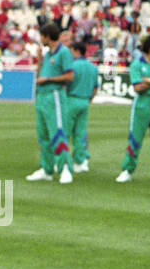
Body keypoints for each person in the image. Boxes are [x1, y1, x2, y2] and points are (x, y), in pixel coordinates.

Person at [26, 22, 75, 184]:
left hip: (54, 95)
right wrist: (39, 59)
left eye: (41, 36)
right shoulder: (48, 55)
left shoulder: (64, 53)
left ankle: (65, 168)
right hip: (42, 96)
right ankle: (46, 169)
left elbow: (69, 76)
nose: (40, 39)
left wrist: (48, 79)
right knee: (43, 134)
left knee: (58, 132)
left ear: (47, 37)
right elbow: (40, 75)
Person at [115, 33, 150, 183]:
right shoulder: (137, 64)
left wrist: (148, 80)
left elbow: (147, 84)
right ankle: (127, 170)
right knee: (135, 138)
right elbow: (137, 87)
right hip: (142, 103)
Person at [66, 40, 98, 173]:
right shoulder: (92, 67)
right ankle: (80, 162)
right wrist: (89, 99)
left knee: (64, 132)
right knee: (80, 133)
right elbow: (96, 88)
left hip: (71, 100)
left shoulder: (72, 66)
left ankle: (61, 161)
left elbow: (66, 84)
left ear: (77, 51)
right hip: (84, 101)